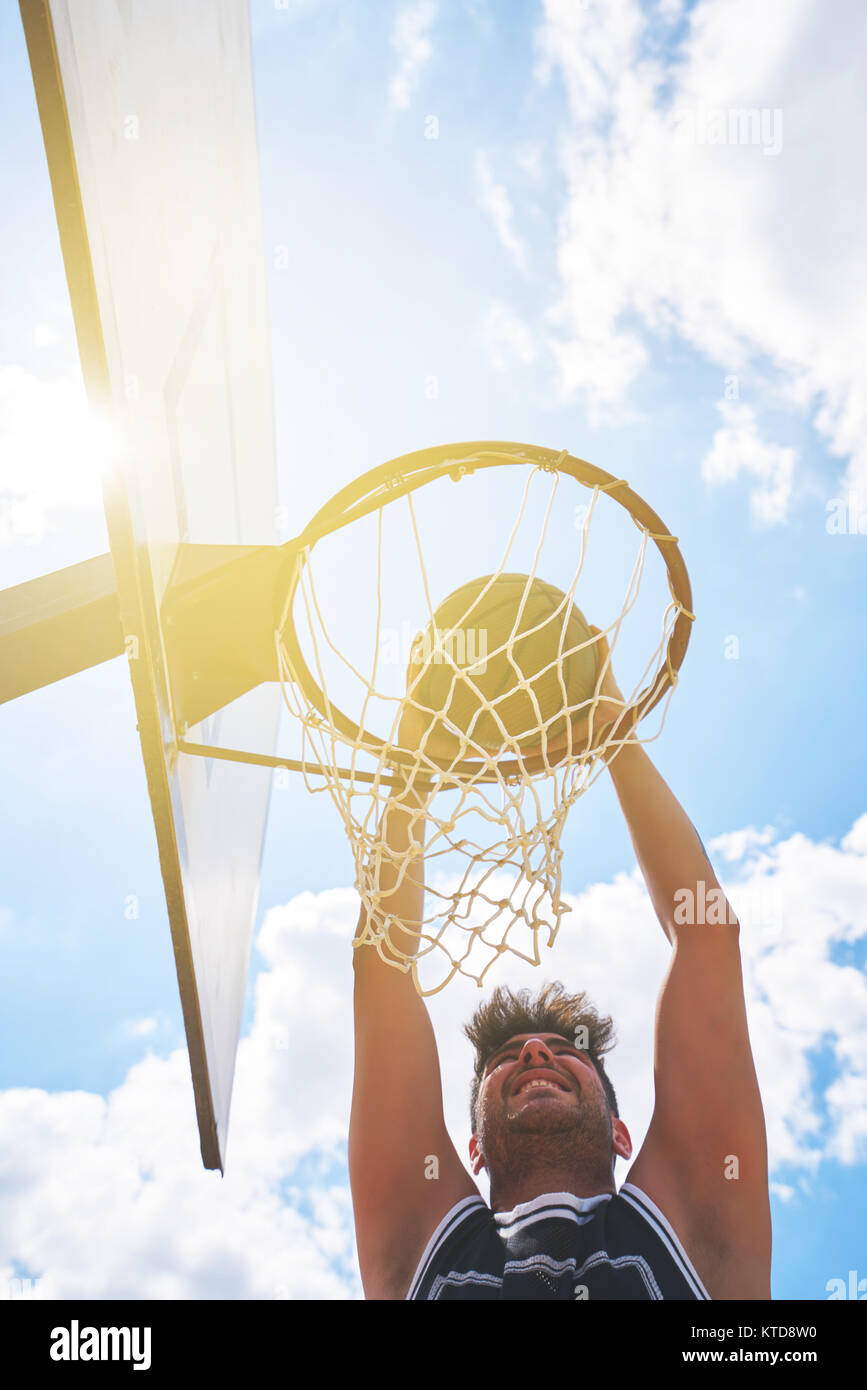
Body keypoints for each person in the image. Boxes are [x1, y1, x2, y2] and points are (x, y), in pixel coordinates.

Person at [348, 632, 771, 1300]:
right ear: (474, 1147)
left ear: (621, 1132)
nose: (536, 1053)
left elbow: (707, 936)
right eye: (506, 1057)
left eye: (559, 1052)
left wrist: (609, 729)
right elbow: (381, 973)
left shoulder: (692, 1223)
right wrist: (413, 764)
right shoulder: (423, 1242)